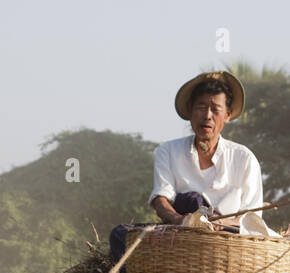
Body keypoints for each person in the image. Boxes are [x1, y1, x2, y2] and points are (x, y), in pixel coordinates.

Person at [110, 71, 265, 262]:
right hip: (178, 235)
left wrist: (216, 223)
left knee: (194, 200)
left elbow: (252, 218)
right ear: (191, 110)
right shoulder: (168, 151)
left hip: (226, 240)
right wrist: (181, 221)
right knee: (121, 235)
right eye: (201, 107)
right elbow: (161, 198)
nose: (207, 116)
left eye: (215, 109)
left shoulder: (244, 158)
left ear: (227, 114)